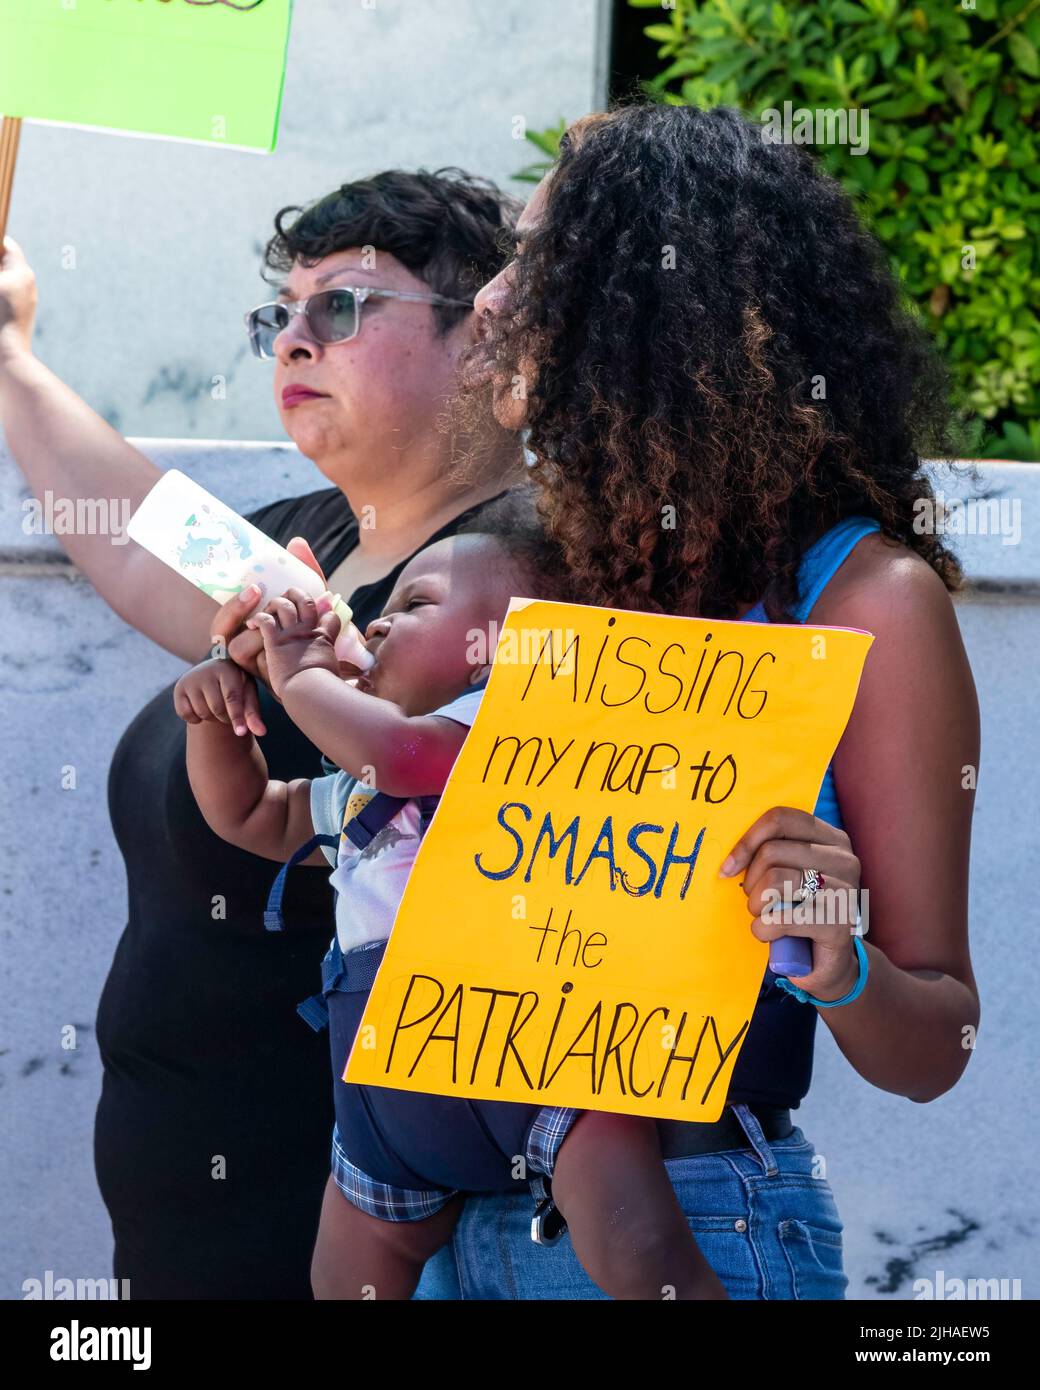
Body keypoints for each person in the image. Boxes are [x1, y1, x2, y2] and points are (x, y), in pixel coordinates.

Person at [408, 103, 981, 1300]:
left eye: (534, 257)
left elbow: (937, 1041)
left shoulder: (866, 602)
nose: (497, 297)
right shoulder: (553, 567)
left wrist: (838, 958)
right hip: (458, 1207)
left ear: (643, 302)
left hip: (695, 1210)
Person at [0, 168, 532, 1298]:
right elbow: (135, 534)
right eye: (276, 318)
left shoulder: (518, 572)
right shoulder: (308, 545)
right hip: (187, 1216)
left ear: (486, 342)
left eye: (340, 308)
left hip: (355, 1210)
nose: (292, 340)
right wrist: (7, 350)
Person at [172, 514, 730, 1301]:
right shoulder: (363, 794)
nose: (378, 620)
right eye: (383, 608)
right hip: (388, 1110)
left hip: (546, 1076)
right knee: (340, 1278)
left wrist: (299, 675)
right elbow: (251, 817)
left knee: (643, 1253)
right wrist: (220, 724)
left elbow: (402, 753)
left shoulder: (508, 726)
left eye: (419, 602)